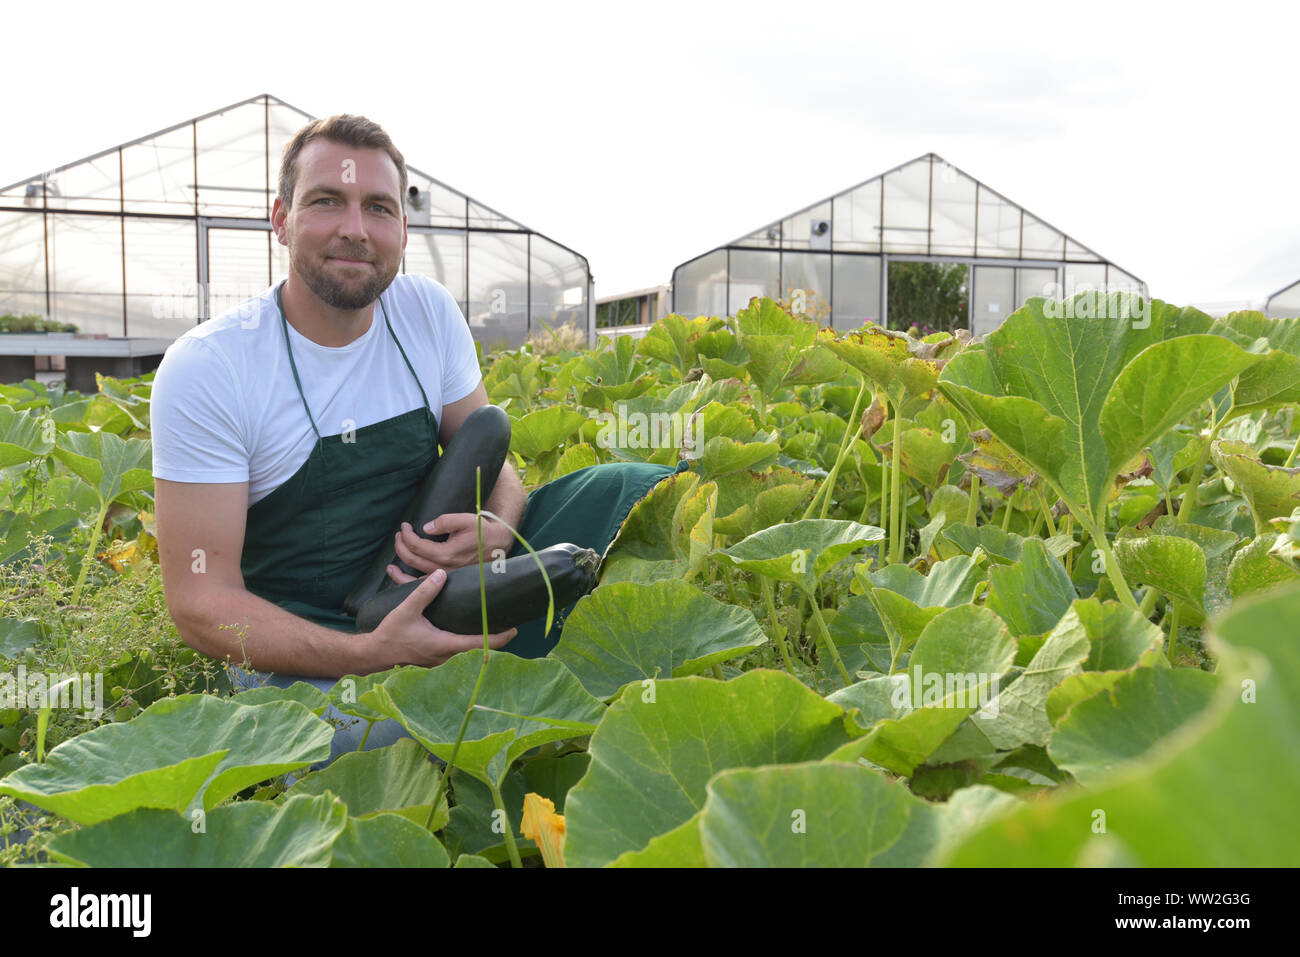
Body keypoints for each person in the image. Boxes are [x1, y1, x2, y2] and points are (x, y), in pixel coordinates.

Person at [149, 114, 681, 764]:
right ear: (281, 219)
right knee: (388, 741)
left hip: (444, 586)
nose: (355, 228)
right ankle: (495, 680)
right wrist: (367, 653)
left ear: (402, 229)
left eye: (379, 207)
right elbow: (201, 602)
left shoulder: (425, 311)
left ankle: (499, 669)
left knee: (621, 487)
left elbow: (497, 462)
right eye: (326, 202)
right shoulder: (210, 367)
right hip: (306, 632)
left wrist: (497, 524)